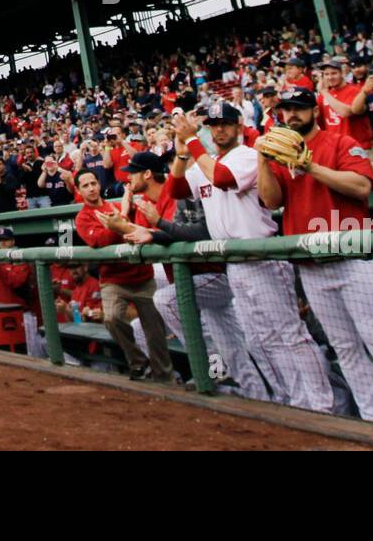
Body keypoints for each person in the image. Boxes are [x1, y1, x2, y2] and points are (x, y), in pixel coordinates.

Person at [257, 88, 373, 428]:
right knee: (346, 348)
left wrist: (310, 167)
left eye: (300, 109)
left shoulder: (339, 142)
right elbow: (270, 200)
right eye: (287, 110)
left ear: (315, 112)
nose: (293, 116)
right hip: (312, 266)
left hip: (354, 260)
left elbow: (361, 186)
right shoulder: (281, 154)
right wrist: (263, 161)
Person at [171, 101, 332, 410]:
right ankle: (292, 400)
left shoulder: (247, 156)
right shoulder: (204, 161)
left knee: (290, 335)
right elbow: (176, 189)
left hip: (262, 256)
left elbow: (221, 178)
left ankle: (321, 404)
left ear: (239, 127)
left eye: (226, 123)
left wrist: (192, 141)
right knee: (261, 339)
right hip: (235, 263)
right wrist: (181, 150)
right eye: (213, 124)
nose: (219, 129)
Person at [112, 150, 268, 401]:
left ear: (148, 174)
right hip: (197, 281)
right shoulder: (147, 204)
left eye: (132, 173)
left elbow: (185, 231)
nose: (128, 179)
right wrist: (126, 222)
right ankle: (260, 401)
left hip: (215, 274)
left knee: (167, 300)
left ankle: (206, 366)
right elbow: (148, 235)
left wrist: (156, 227)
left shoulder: (175, 196)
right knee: (234, 351)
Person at [73, 168, 174, 383]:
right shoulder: (83, 217)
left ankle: (163, 375)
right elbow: (99, 240)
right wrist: (121, 221)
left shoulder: (118, 206)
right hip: (114, 279)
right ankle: (138, 362)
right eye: (85, 185)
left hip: (142, 275)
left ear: (99, 184)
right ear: (79, 190)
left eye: (93, 183)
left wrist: (121, 219)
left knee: (154, 329)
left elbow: (137, 230)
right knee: (112, 318)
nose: (91, 188)